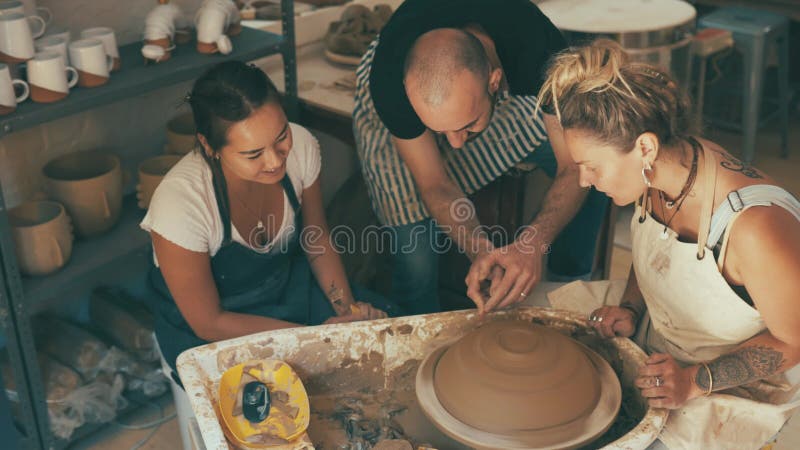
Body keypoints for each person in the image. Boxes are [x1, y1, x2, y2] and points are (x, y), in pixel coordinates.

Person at [516, 39, 800, 449]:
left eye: (591, 167)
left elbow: (793, 340)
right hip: (665, 340)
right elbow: (658, 253)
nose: (584, 181)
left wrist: (695, 381)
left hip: (731, 381)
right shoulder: (658, 173)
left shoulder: (755, 227)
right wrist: (631, 307)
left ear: (644, 147)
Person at [141, 61, 397, 378]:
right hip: (214, 326)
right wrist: (314, 338)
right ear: (209, 146)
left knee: (384, 339)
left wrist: (347, 313)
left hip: (286, 287)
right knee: (279, 394)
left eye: (281, 136)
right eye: (253, 154)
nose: (275, 161)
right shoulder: (181, 203)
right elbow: (209, 322)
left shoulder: (301, 146)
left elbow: (316, 238)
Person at [354, 0, 609, 315]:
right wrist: (480, 252)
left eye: (467, 126)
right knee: (415, 253)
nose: (456, 144)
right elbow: (435, 183)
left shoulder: (539, 51)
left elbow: (573, 166)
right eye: (442, 132)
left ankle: (569, 284)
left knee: (594, 165)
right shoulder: (391, 82)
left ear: (495, 81)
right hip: (403, 77)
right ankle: (417, 319)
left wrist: (532, 244)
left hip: (506, 67)